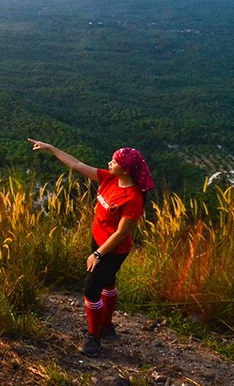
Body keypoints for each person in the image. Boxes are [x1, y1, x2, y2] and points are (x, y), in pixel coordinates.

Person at [28, 139, 154, 357]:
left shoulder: (133, 198)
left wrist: (98, 253)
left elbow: (121, 233)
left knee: (91, 289)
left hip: (113, 250)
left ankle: (94, 338)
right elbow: (76, 164)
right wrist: (50, 147)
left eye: (114, 161)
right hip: (97, 239)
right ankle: (106, 326)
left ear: (124, 170)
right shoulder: (108, 179)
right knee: (107, 282)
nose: (109, 163)